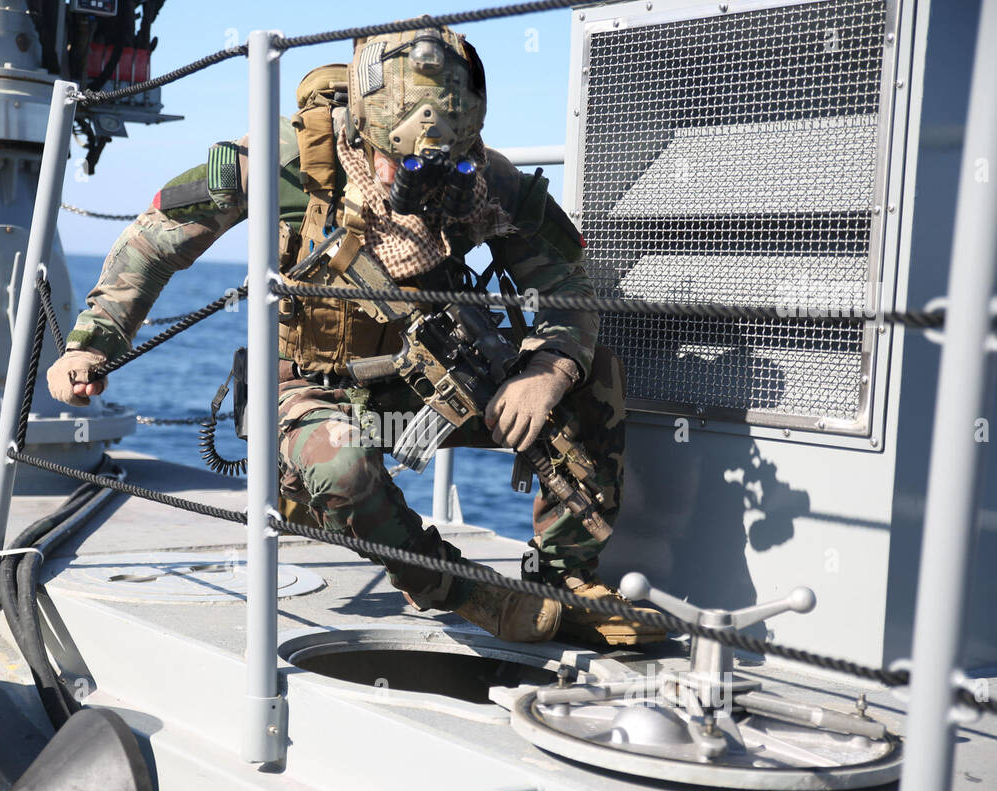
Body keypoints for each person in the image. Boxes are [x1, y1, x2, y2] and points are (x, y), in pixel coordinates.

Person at [48, 25, 662, 646]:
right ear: (365, 129)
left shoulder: (481, 180)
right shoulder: (281, 160)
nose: (420, 179)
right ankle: (452, 585)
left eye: (440, 162)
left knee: (593, 381)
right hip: (312, 389)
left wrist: (548, 368)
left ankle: (567, 580)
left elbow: (567, 281)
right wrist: (93, 341)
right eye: (404, 162)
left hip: (429, 386)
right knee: (343, 467)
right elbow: (153, 241)